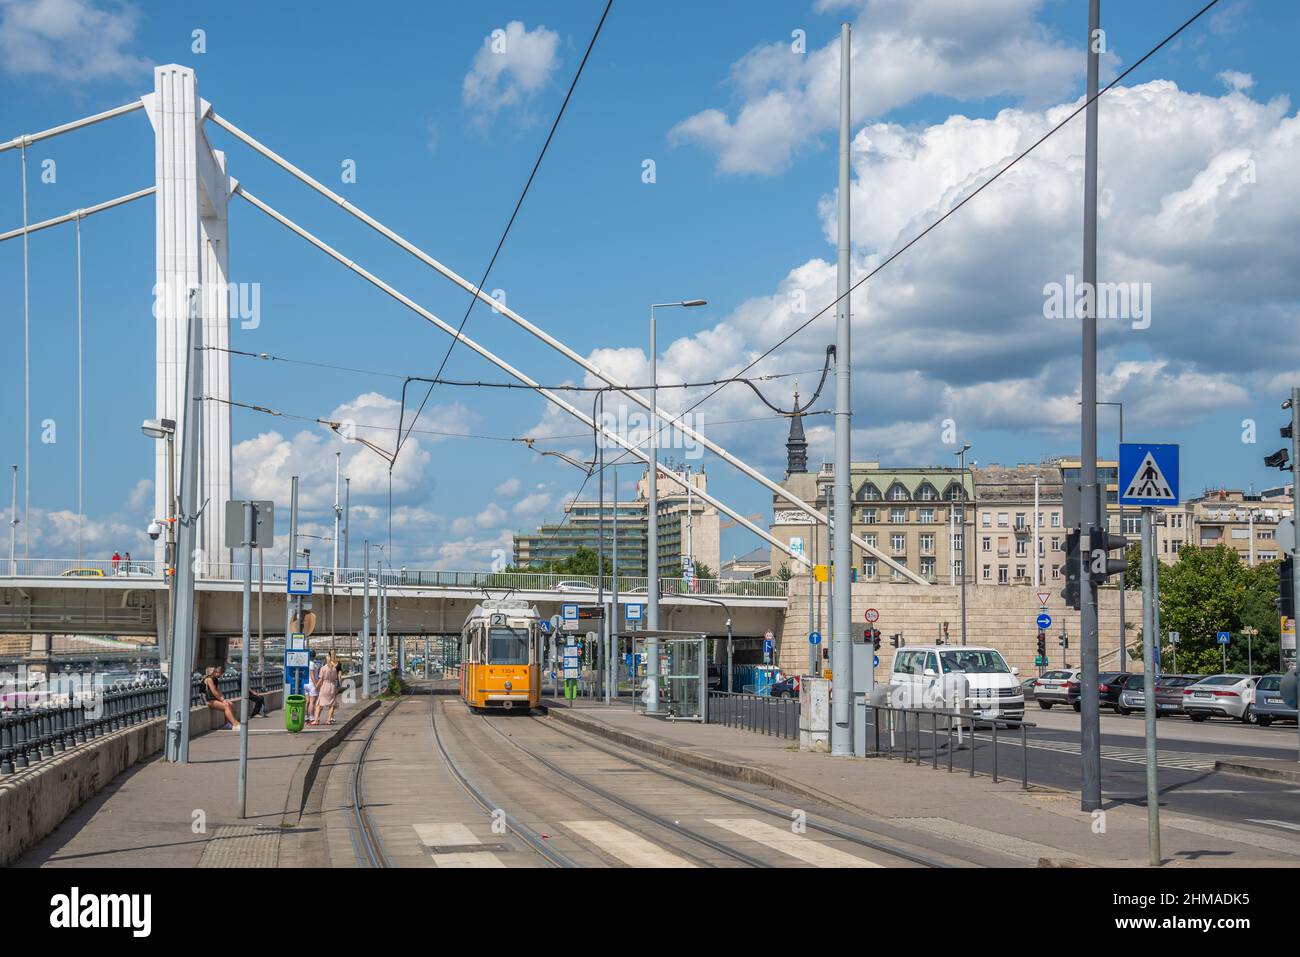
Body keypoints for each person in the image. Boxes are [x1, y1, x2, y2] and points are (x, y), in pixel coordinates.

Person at [200, 665, 240, 730]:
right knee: (226, 706)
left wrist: (224, 699)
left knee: (230, 704)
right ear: (212, 672)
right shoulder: (209, 679)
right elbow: (214, 692)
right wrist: (222, 700)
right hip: (207, 700)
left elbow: (218, 690)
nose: (218, 673)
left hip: (212, 699)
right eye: (215, 671)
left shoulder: (214, 679)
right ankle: (235, 724)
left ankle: (228, 723)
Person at [314, 653, 339, 726]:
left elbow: (321, 679)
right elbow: (335, 679)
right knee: (331, 704)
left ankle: (316, 720)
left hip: (324, 686)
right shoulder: (334, 669)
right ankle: (328, 720)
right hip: (332, 686)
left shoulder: (323, 668)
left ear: (325, 660)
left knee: (319, 704)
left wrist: (316, 687)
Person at [304, 650, 319, 725]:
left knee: (308, 701)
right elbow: (312, 675)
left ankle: (306, 718)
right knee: (312, 702)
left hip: (306, 684)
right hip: (311, 684)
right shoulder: (312, 664)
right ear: (314, 656)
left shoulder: (305, 663)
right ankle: (312, 718)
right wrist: (316, 684)